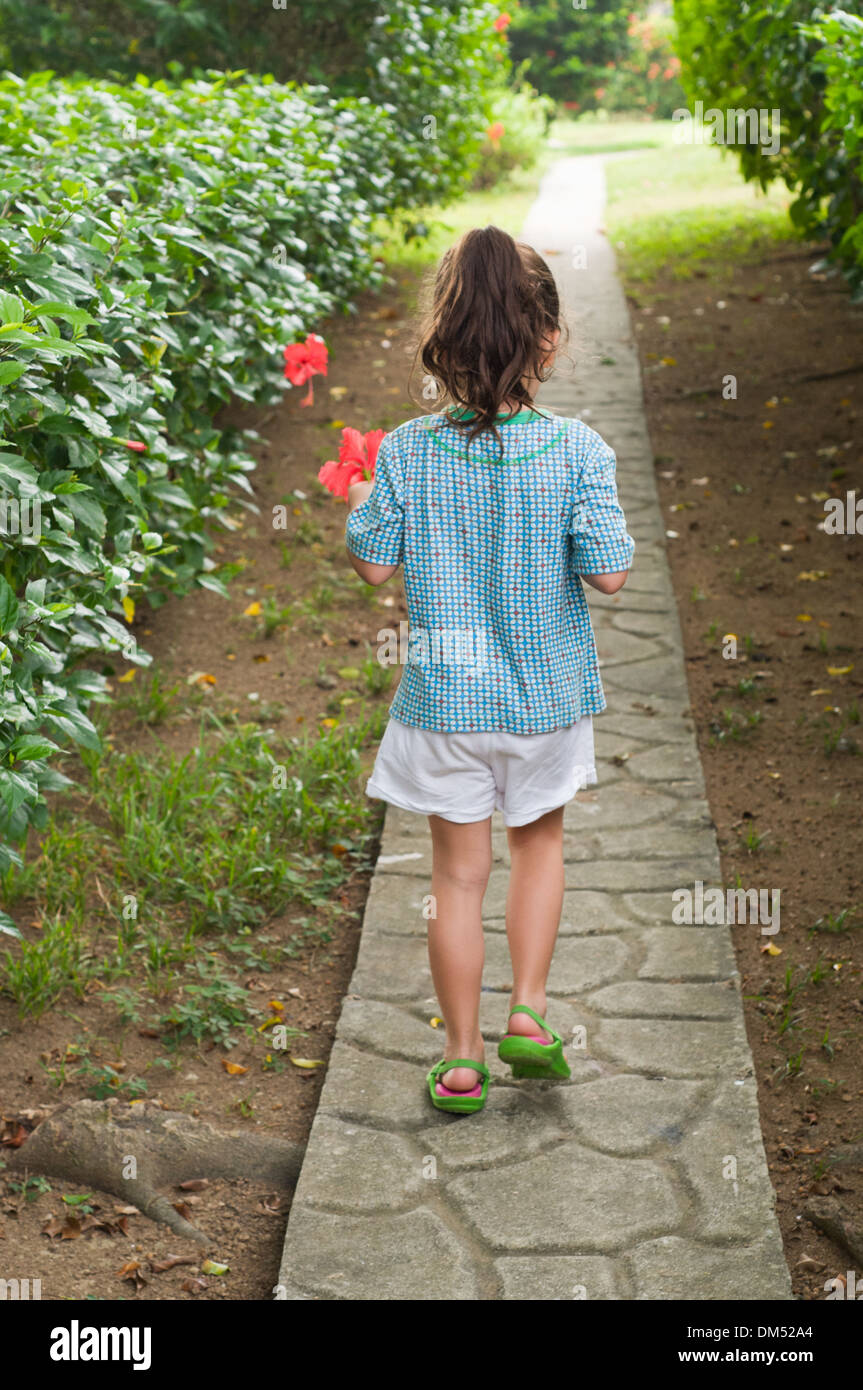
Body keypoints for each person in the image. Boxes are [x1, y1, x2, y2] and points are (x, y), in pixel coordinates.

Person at [344, 225, 634, 1114]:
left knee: (455, 880)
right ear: (548, 339)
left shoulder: (405, 450)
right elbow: (611, 573)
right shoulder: (578, 450)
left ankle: (462, 1058)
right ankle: (531, 1015)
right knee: (537, 846)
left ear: (444, 340)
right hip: (543, 702)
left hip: (444, 704)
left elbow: (373, 566)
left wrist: (360, 503)